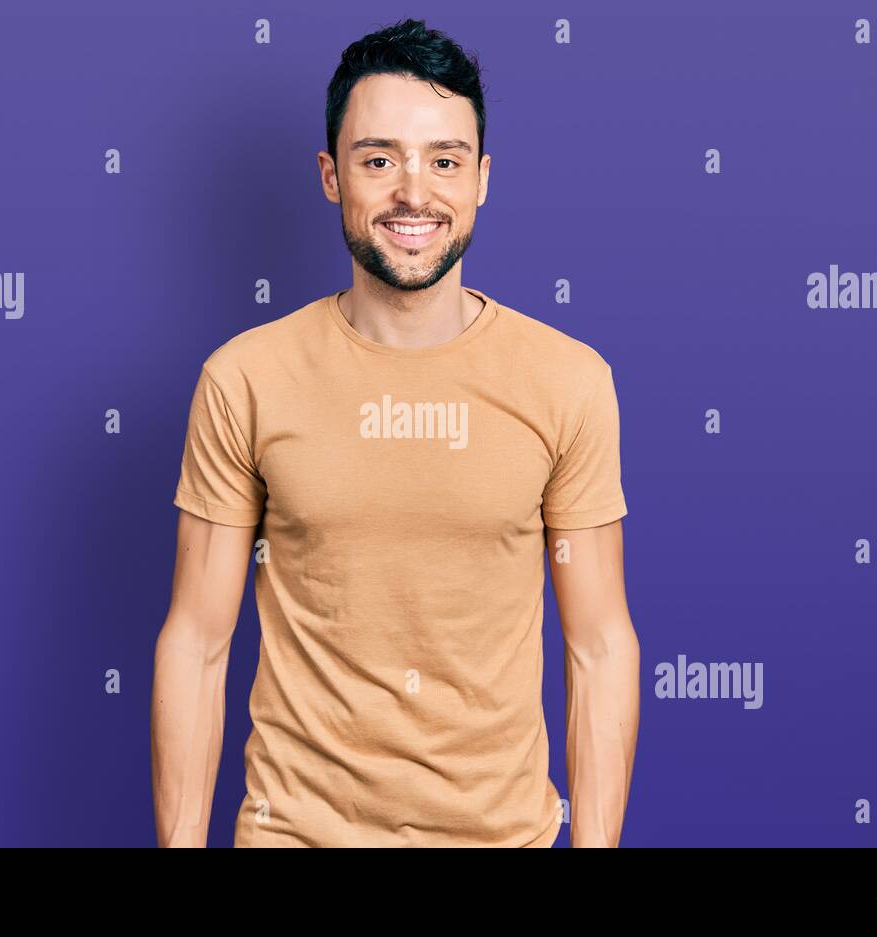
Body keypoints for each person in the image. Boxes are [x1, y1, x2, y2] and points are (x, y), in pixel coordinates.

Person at [152, 18, 639, 848]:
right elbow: (198, 639)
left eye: (445, 159)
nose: (414, 191)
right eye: (379, 159)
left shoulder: (569, 382)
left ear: (481, 179)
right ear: (331, 176)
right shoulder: (244, 378)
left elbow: (598, 644)